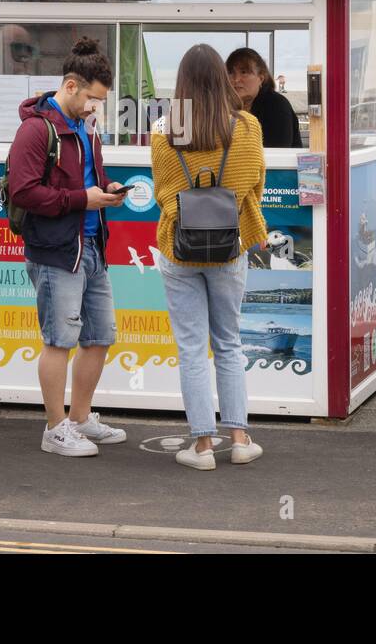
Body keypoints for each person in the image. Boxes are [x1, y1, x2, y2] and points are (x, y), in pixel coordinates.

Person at [8, 37, 129, 457]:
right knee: (59, 339)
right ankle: (55, 427)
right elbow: (24, 192)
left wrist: (109, 189)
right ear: (72, 85)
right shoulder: (36, 129)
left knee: (100, 336)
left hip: (91, 245)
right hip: (57, 249)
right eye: (93, 99)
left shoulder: (84, 128)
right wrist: (84, 199)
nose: (96, 107)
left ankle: (79, 418)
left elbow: (92, 175)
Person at [152, 44, 269, 470]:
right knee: (229, 343)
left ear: (181, 83)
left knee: (190, 349)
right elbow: (254, 184)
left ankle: (202, 447)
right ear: (221, 79)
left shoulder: (163, 131)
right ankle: (239, 438)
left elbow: (164, 195)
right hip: (229, 248)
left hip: (179, 248)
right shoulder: (248, 126)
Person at [226, 47, 301, 148]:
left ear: (261, 78)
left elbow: (276, 153)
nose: (236, 79)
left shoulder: (276, 105)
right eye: (231, 73)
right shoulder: (224, 107)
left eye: (244, 72)